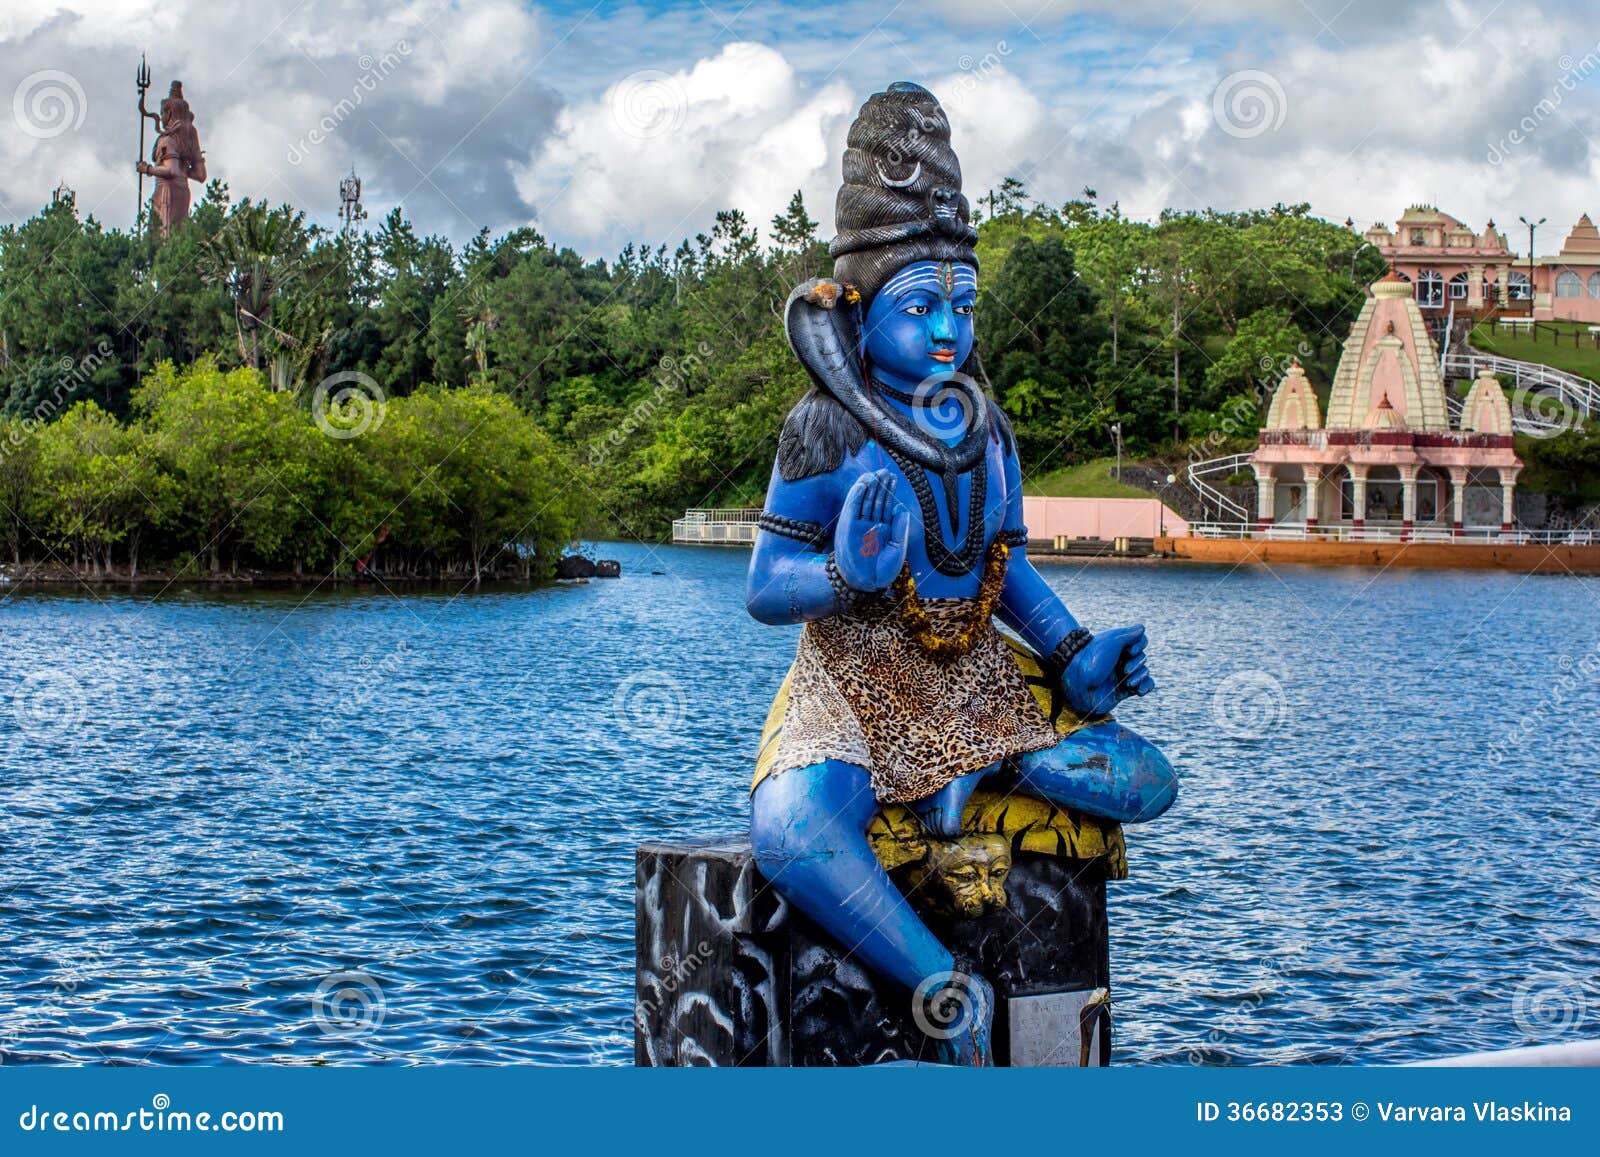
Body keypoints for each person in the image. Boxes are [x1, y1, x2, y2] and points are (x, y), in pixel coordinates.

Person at [743, 82, 1177, 1066]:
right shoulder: (826, 426)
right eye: (920, 306)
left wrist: (1072, 650)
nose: (946, 331)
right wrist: (848, 578)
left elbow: (1004, 564)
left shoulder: (984, 428)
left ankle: (994, 760)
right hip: (853, 678)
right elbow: (767, 585)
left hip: (976, 673)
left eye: (963, 306)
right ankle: (941, 980)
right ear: (856, 318)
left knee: (1151, 781)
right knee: (792, 828)